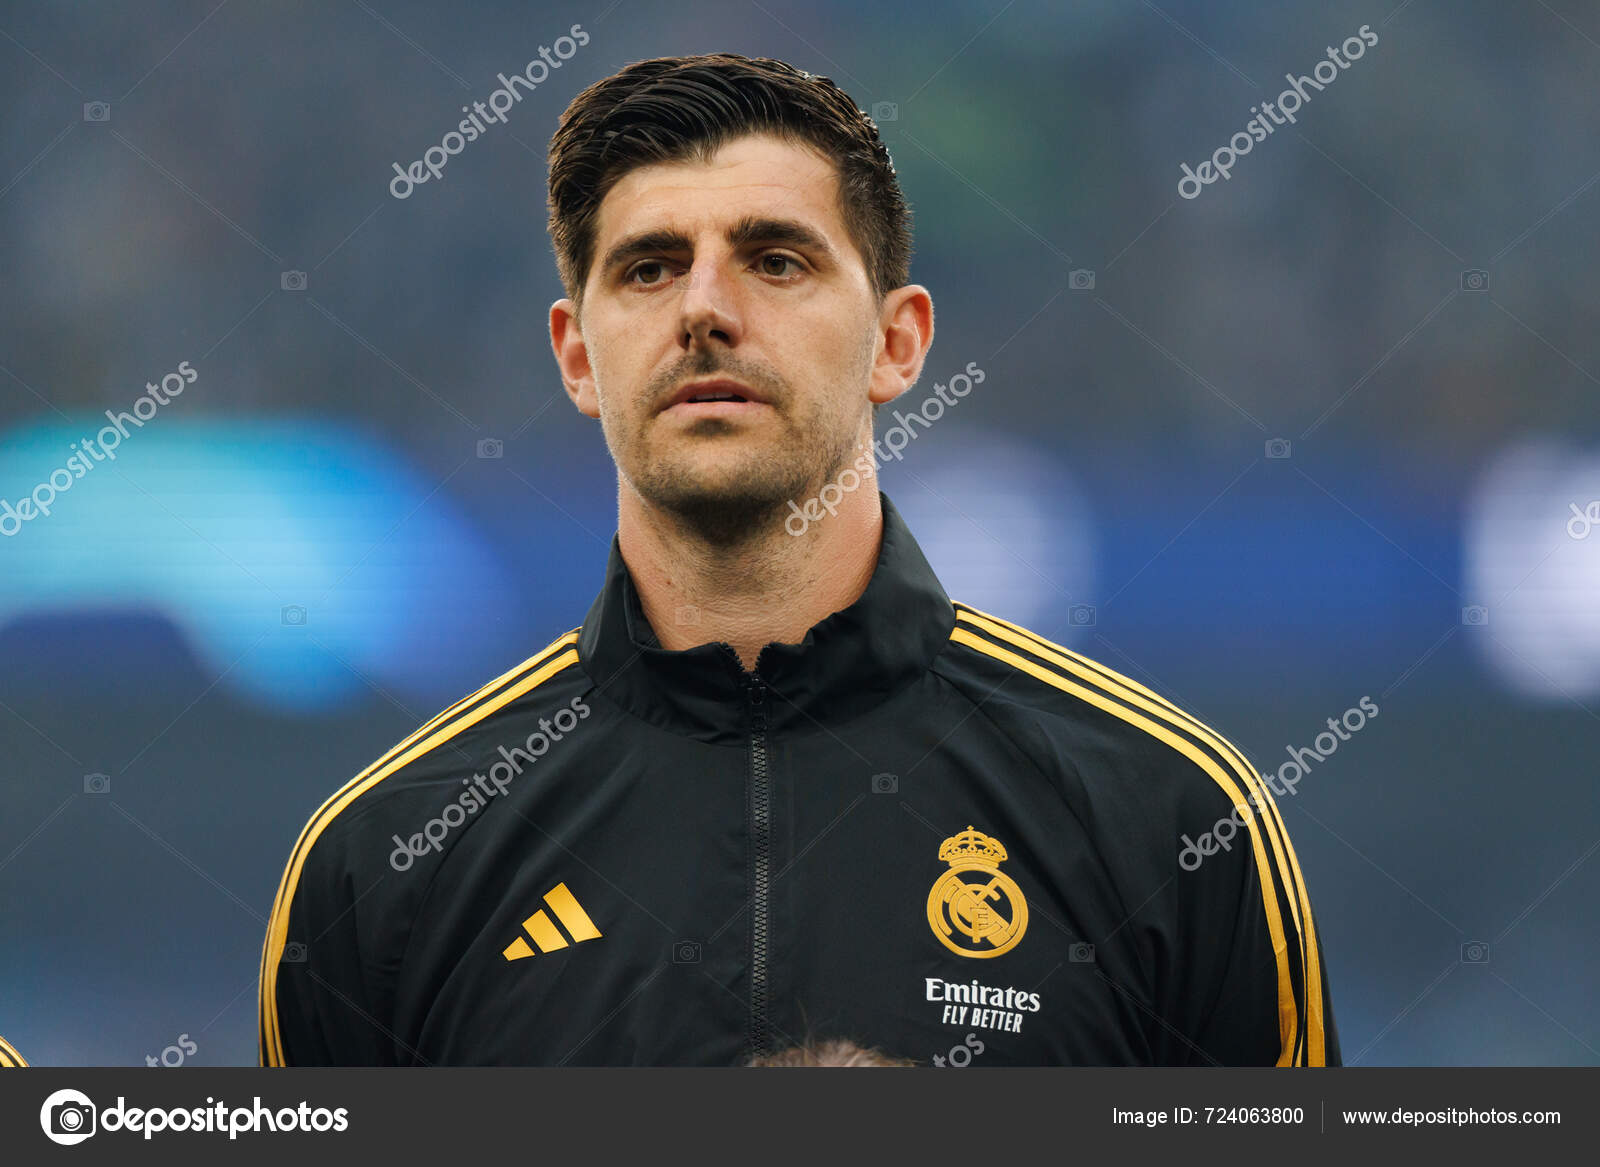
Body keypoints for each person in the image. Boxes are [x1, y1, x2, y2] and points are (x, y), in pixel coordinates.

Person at [259, 52, 1337, 1067]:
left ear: (897, 342)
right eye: (648, 268)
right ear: (577, 356)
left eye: (776, 260)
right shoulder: (385, 860)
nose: (705, 312)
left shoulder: (1172, 818)